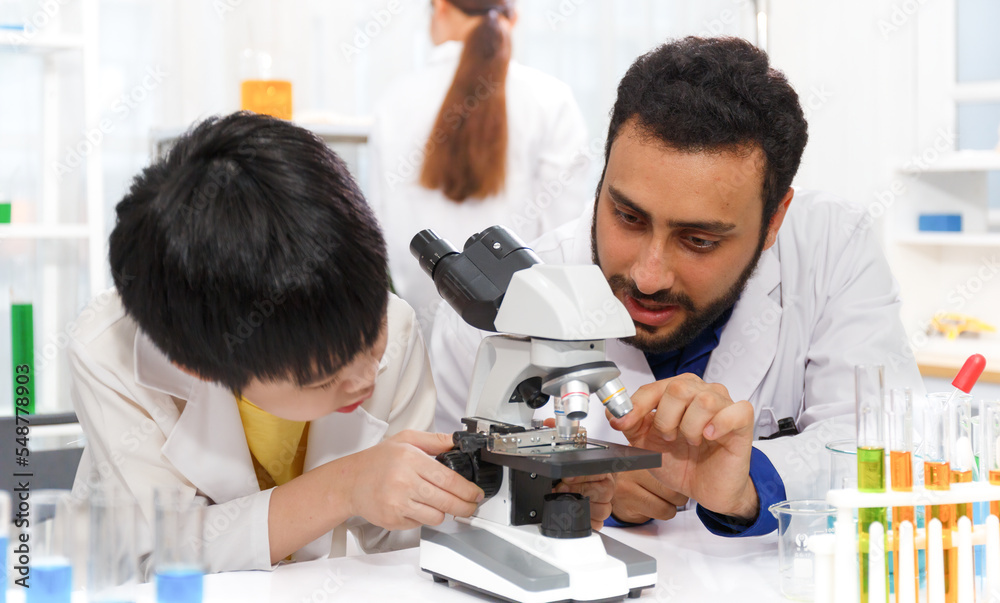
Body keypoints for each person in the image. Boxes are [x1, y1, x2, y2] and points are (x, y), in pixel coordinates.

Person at [428, 37, 924, 536]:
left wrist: (750, 480)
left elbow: (889, 444)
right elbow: (437, 501)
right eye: (628, 217)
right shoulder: (501, 314)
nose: (648, 275)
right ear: (602, 182)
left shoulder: (831, 249)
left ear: (774, 220)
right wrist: (570, 492)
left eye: (699, 240)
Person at [67, 113, 484, 572]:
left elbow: (397, 547)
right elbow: (158, 559)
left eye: (372, 340)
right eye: (326, 378)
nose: (367, 377)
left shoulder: (395, 324)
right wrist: (345, 485)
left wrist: (417, 490)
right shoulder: (109, 355)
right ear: (200, 367)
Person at [368, 0, 591, 336]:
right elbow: (564, 238)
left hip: (422, 330)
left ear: (440, 7)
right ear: (512, 19)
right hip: (524, 333)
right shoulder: (552, 100)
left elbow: (380, 227)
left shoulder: (395, 101)